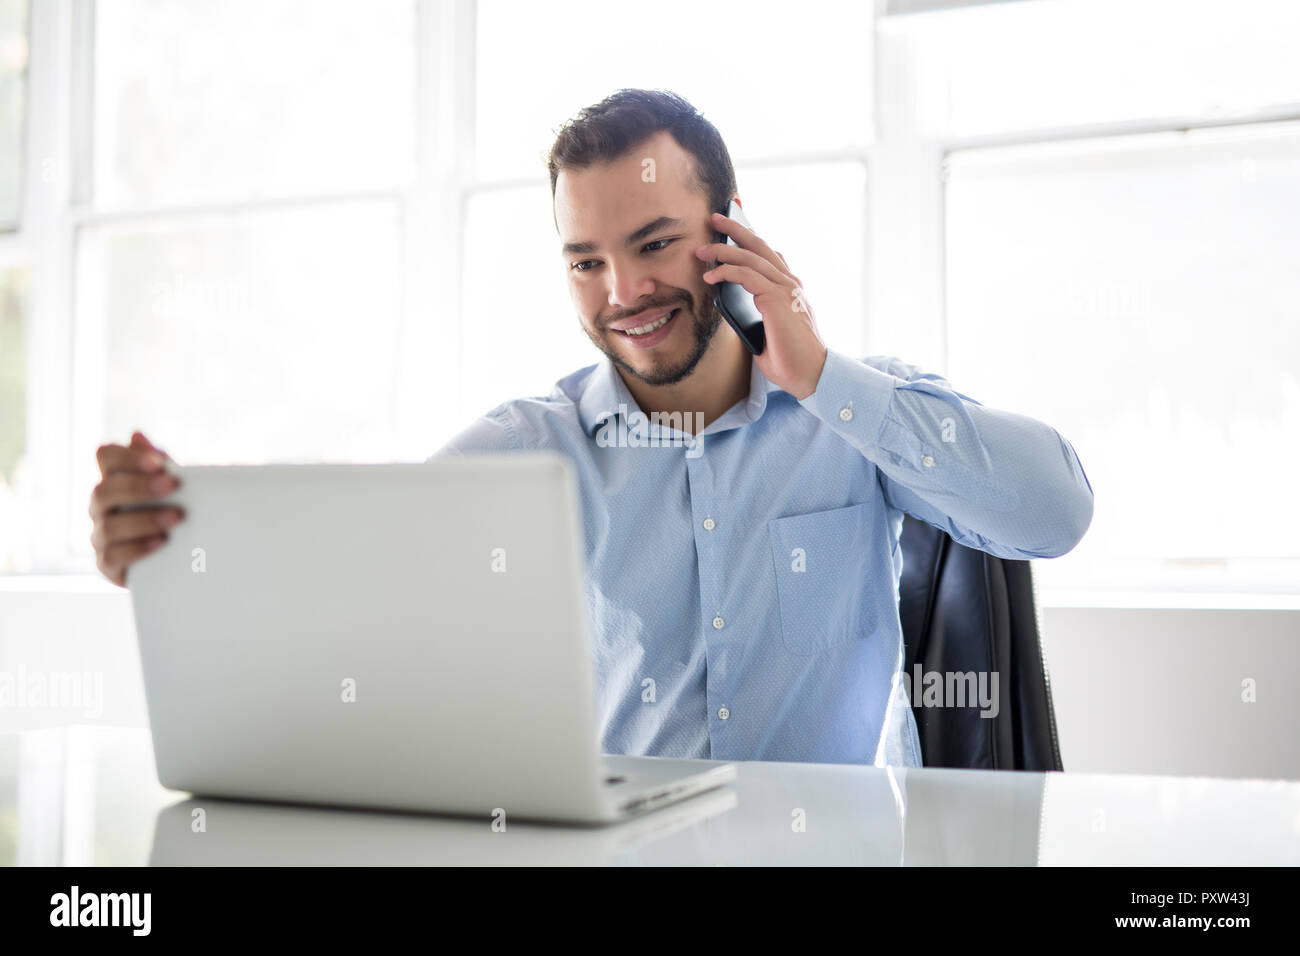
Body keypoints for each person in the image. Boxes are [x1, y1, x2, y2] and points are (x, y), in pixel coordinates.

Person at [89, 89, 1093, 768]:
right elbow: (354, 564)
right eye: (585, 262)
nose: (623, 294)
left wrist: (824, 375)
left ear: (731, 229)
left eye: (653, 244)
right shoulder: (535, 444)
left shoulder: (850, 411)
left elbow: (1055, 509)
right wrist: (179, 543)